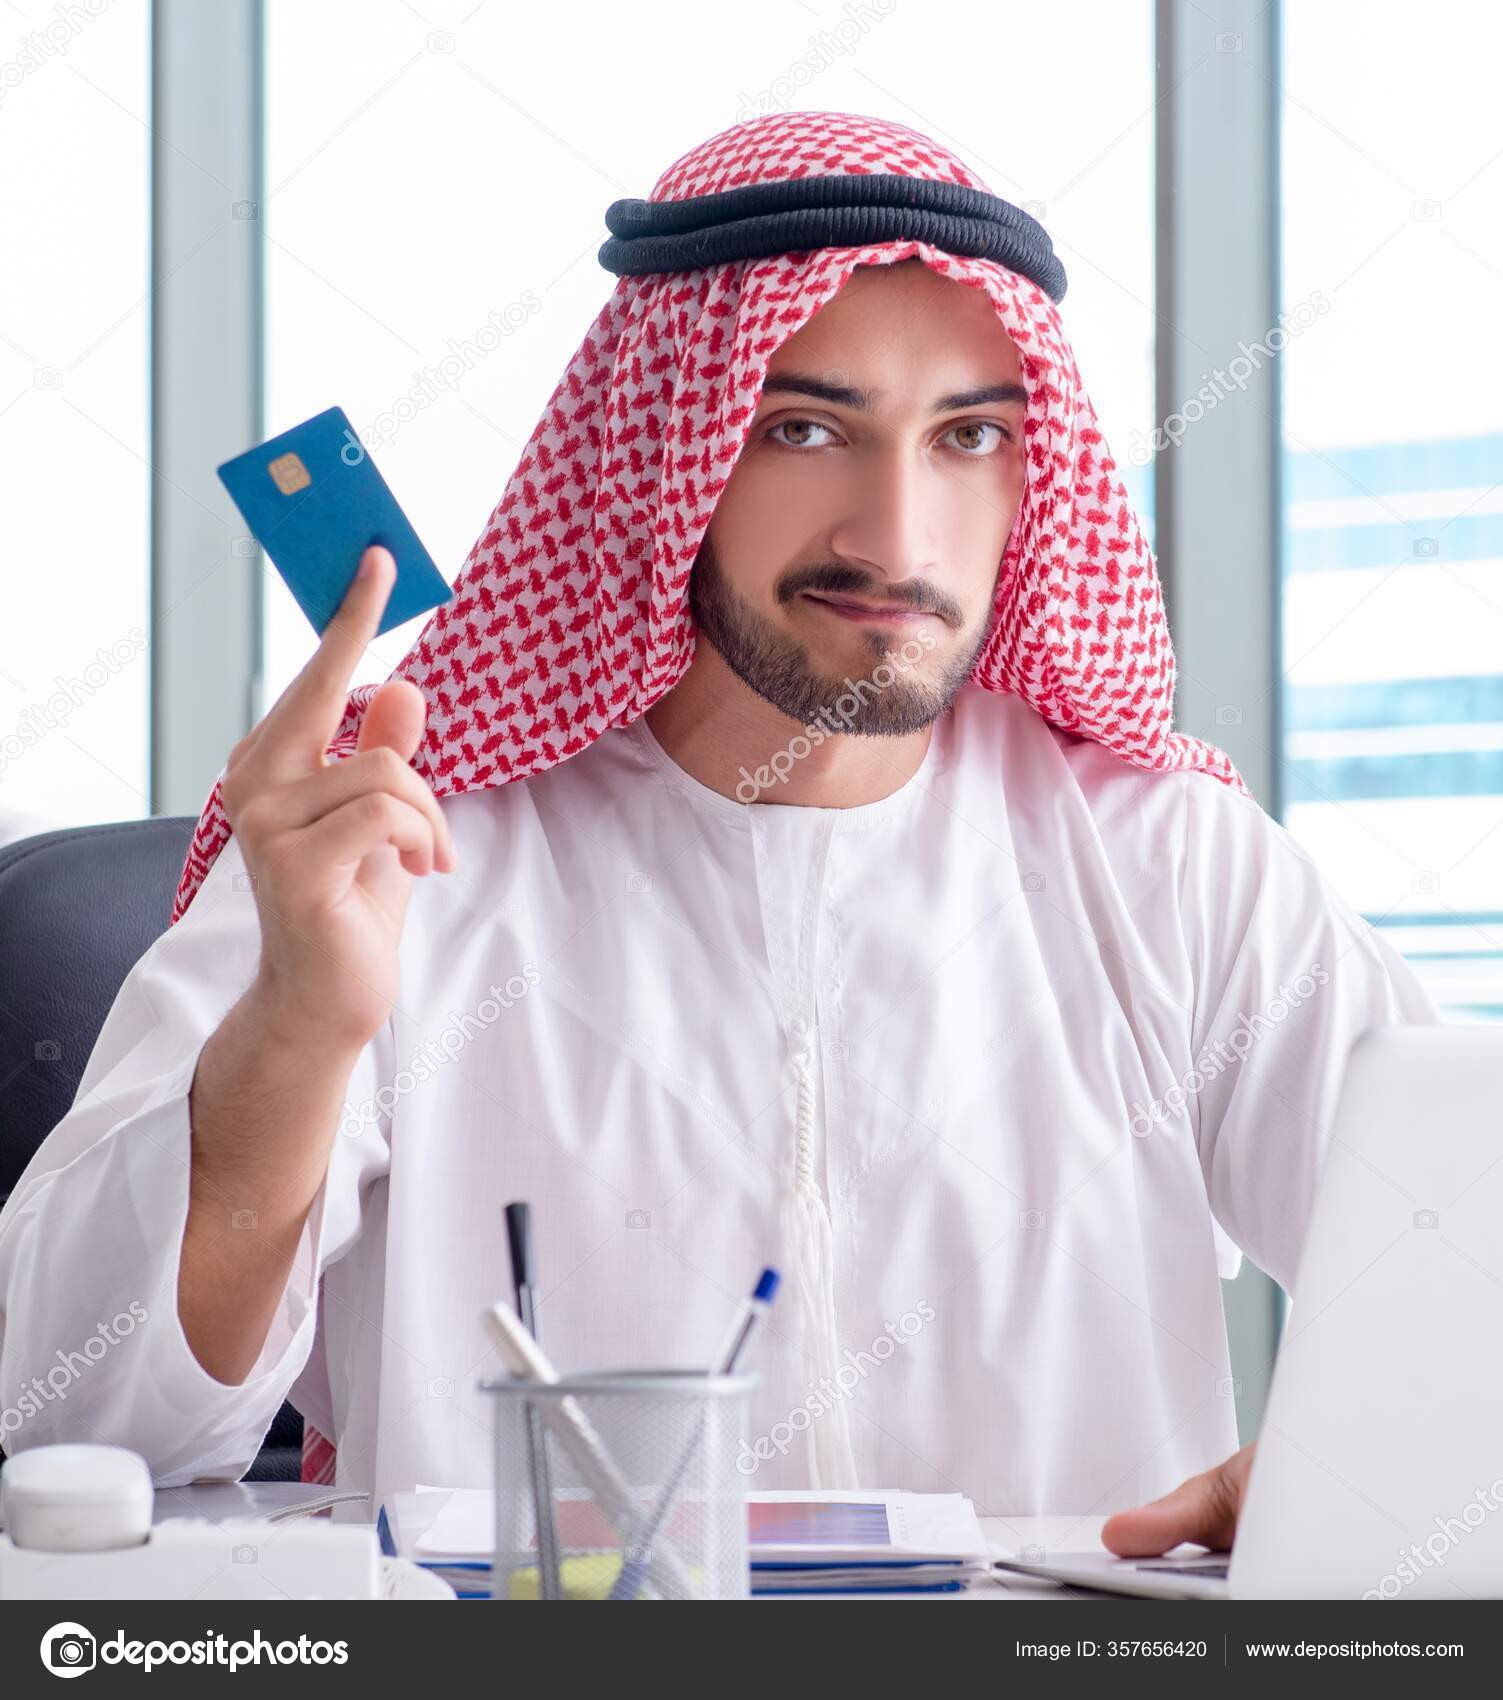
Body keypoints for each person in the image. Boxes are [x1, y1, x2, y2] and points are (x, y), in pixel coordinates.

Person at [0, 112, 1435, 1546]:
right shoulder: (388, 851)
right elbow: (67, 1433)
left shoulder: (1173, 865)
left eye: (970, 437)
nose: (896, 532)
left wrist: (1362, 1473)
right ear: (667, 449)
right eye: (805, 428)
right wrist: (299, 1032)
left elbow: (1460, 1281)